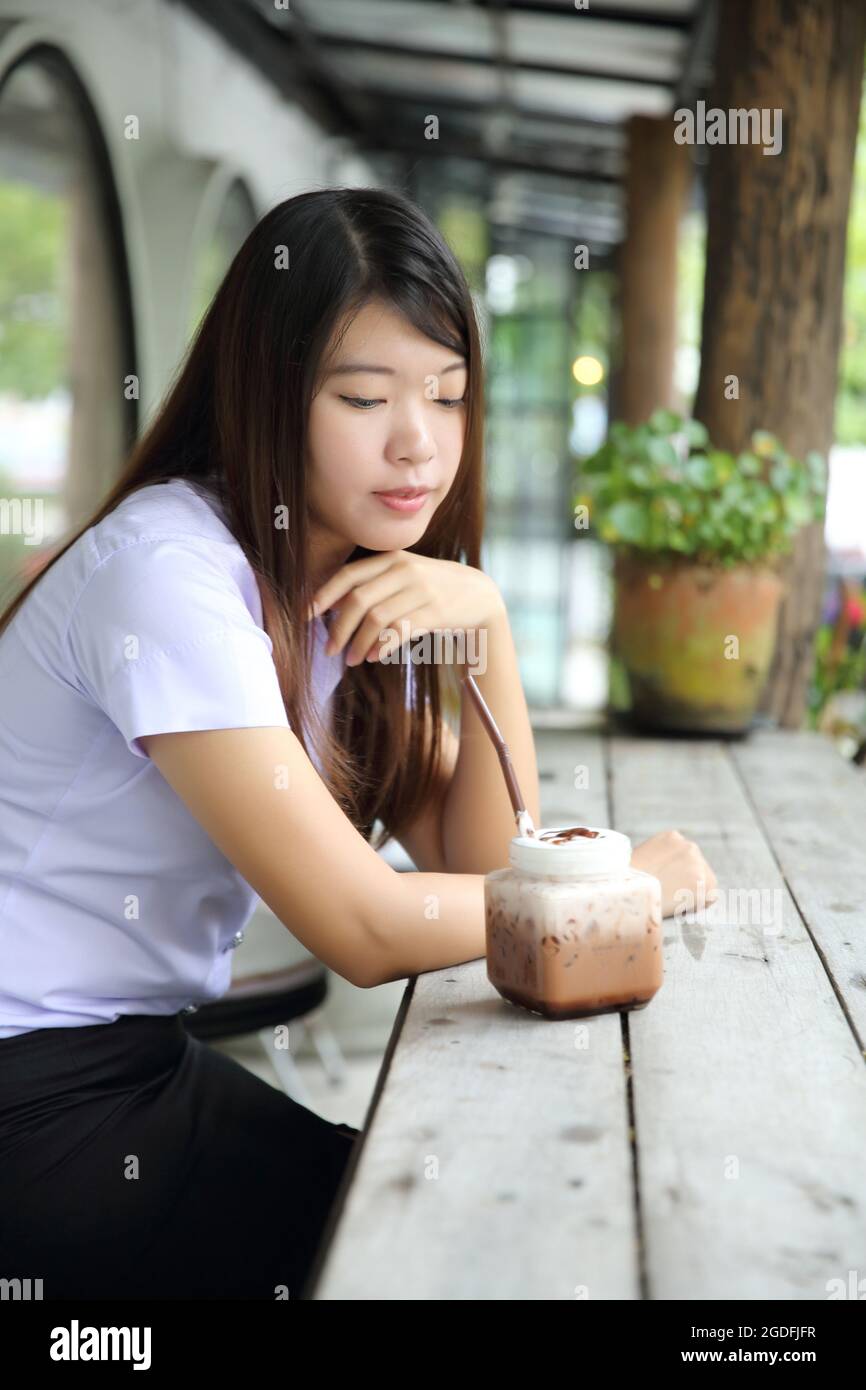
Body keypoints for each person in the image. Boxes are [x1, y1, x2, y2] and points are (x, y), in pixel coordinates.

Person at [0, 187, 718, 1300]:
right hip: (36, 1095)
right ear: (266, 394)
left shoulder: (340, 583)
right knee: (432, 1256)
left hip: (130, 1061)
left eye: (448, 395)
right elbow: (367, 930)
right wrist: (624, 893)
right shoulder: (169, 576)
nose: (416, 442)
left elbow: (480, 858)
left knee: (445, 1218)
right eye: (362, 396)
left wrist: (484, 621)